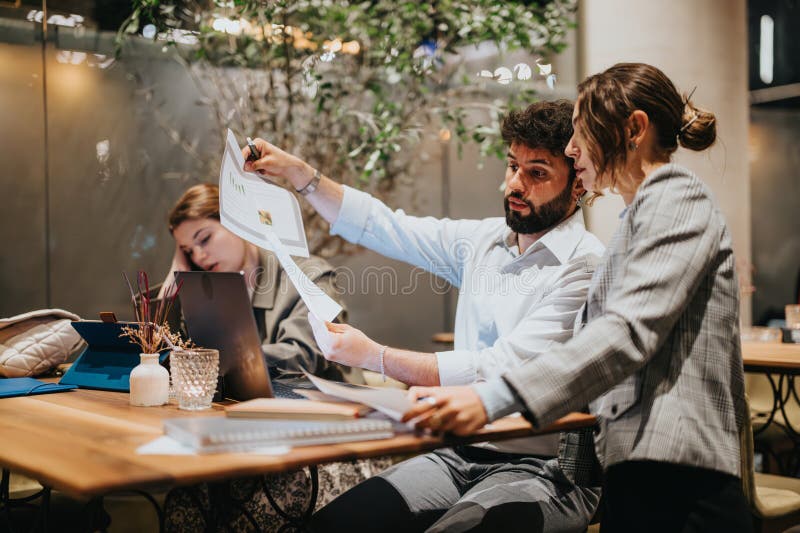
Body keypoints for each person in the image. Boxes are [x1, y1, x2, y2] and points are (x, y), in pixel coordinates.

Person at [404, 63, 753, 532]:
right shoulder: (636, 216)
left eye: (582, 131)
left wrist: (491, 398)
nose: (571, 148)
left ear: (634, 129)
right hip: (641, 472)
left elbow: (626, 334)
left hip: (684, 480)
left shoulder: (677, 197)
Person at [244, 100, 606, 532]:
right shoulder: (486, 240)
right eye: (512, 165)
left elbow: (501, 371)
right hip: (458, 452)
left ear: (578, 184)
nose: (515, 183)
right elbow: (387, 226)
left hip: (543, 470)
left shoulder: (586, 265)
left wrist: (376, 357)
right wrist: (301, 176)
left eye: (538, 173)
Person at [158, 184, 391, 532]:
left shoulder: (309, 275)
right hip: (249, 442)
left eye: (205, 239)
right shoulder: (211, 290)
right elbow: (171, 353)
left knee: (258, 513)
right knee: (185, 505)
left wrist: (220, 358)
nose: (200, 256)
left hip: (331, 443)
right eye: (189, 251)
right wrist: (178, 276)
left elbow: (303, 355)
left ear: (237, 220)